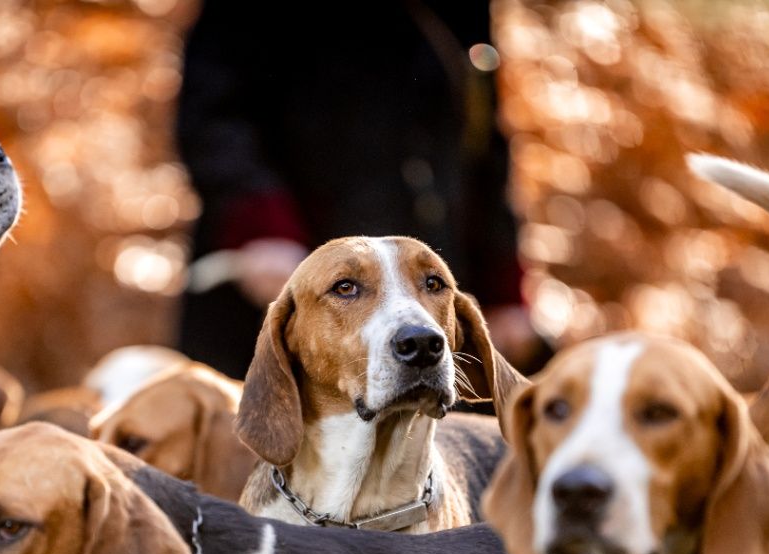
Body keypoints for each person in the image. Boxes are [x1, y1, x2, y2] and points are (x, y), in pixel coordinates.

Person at [175, 0, 540, 380]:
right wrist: (259, 223)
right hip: (278, 271)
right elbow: (212, 112)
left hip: (431, 281)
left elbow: (482, 143)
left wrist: (502, 286)